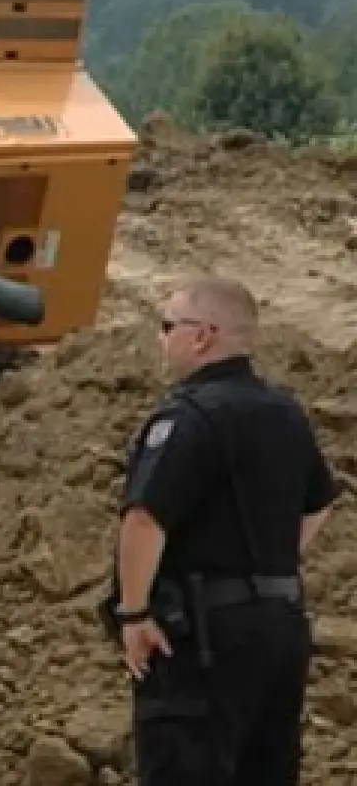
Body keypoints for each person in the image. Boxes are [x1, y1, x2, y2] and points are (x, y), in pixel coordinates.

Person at [109, 273, 341, 785]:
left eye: (167, 325)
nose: (160, 338)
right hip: (280, 626)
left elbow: (146, 517)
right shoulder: (285, 412)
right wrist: (268, 564)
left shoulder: (188, 417)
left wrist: (135, 612)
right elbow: (320, 504)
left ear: (203, 336)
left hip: (205, 637)